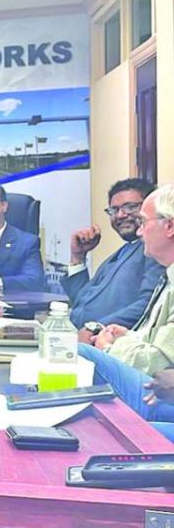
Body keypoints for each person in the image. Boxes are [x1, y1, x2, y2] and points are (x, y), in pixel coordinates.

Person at [77, 183, 174, 435]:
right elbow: (156, 340)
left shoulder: (155, 265)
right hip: (156, 383)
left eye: (142, 219)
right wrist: (125, 336)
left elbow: (156, 362)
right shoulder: (163, 272)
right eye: (115, 209)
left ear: (170, 226)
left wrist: (108, 344)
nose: (140, 231)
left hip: (160, 391)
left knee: (82, 355)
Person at [63, 178, 163, 342]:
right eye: (114, 210)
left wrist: (96, 328)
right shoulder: (120, 253)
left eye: (130, 207)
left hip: (112, 346)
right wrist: (78, 257)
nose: (120, 215)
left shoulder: (154, 250)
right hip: (81, 343)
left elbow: (151, 303)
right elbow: (82, 301)